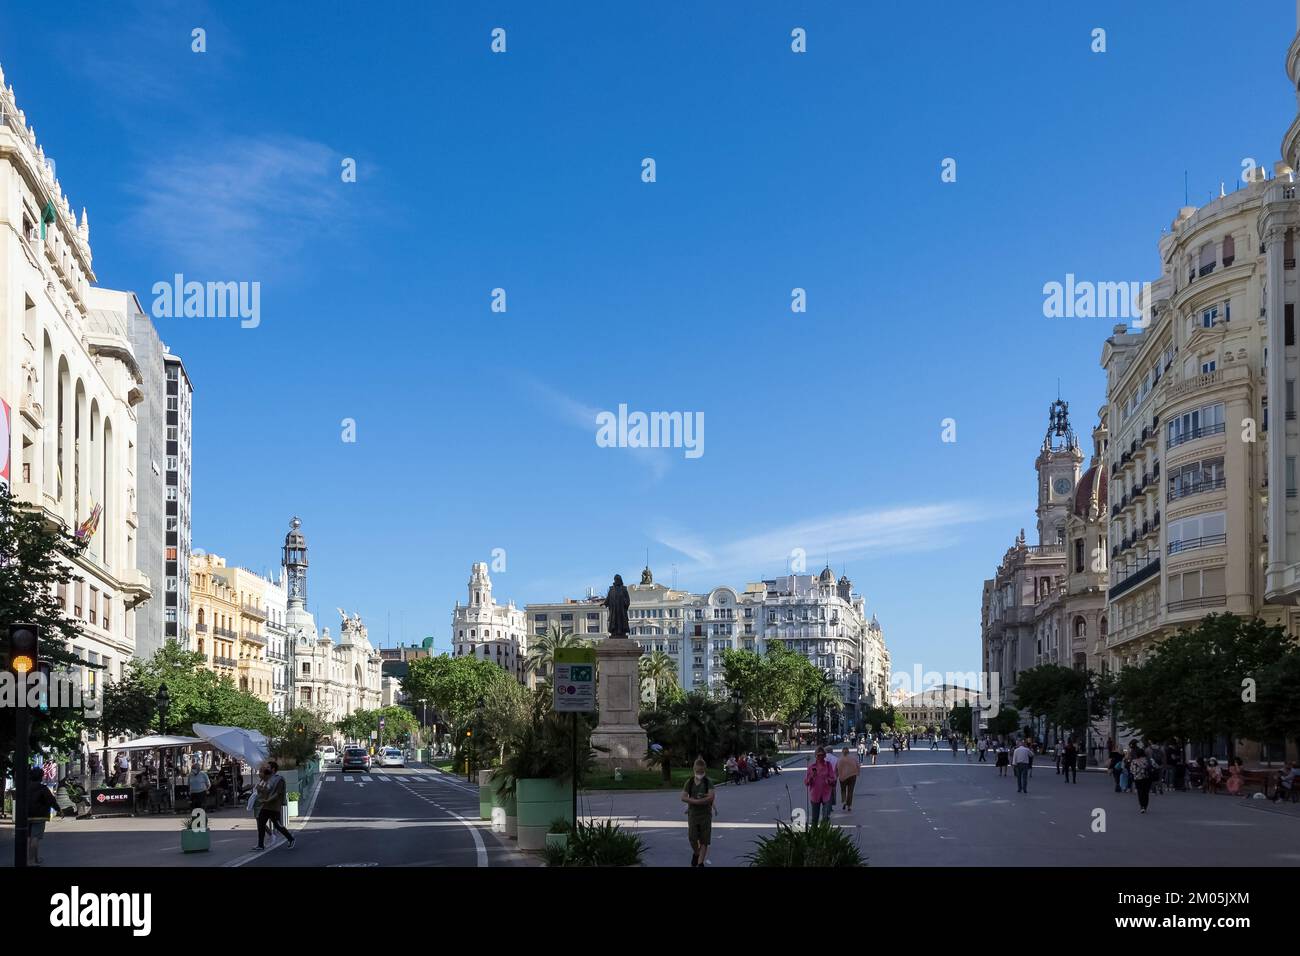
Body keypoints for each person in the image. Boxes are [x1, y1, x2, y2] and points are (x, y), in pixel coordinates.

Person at [252, 762, 296, 851]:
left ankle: (291, 838)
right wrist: (260, 789)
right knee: (261, 823)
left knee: (278, 825)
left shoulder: (279, 779)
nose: (266, 769)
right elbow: (264, 791)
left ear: (273, 769)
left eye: (268, 767)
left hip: (274, 807)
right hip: (265, 806)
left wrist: (267, 800)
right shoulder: (266, 778)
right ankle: (260, 845)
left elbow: (277, 793)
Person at [681, 757, 715, 867]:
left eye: (701, 772)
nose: (699, 774)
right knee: (692, 838)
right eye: (697, 771)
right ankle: (696, 853)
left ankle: (700, 863)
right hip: (693, 815)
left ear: (704, 770)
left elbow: (711, 797)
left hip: (705, 815)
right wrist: (694, 801)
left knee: (704, 840)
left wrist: (699, 802)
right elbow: (683, 797)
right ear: (693, 770)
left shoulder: (707, 782)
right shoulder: (689, 782)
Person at [26, 767, 60, 865]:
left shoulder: (25, 788)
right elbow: (51, 800)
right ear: (41, 777)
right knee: (35, 838)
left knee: (29, 837)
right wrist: (59, 810)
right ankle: (31, 860)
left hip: (26, 815)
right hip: (39, 816)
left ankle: (34, 858)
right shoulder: (43, 788)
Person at [804, 748, 836, 824]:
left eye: (822, 755)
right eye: (818, 755)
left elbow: (833, 778)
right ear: (815, 756)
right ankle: (814, 834)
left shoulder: (828, 765)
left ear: (825, 755)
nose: (820, 757)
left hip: (826, 794)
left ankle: (824, 833)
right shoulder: (812, 767)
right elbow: (806, 782)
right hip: (815, 794)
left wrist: (828, 780)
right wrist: (812, 776)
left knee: (825, 817)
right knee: (815, 818)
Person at [837, 746, 860, 812]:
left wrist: (837, 775)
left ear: (842, 752)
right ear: (848, 751)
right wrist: (858, 772)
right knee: (850, 791)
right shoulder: (853, 758)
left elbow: (837, 768)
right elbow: (857, 765)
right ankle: (849, 806)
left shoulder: (840, 759)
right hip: (852, 776)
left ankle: (844, 801)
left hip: (843, 776)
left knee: (843, 790)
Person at [1130, 746, 1153, 814]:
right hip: (1147, 778)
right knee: (1146, 793)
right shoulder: (1149, 760)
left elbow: (1132, 771)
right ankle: (1145, 806)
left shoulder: (1134, 761)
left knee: (1140, 792)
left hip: (1138, 778)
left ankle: (1142, 806)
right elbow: (1155, 766)